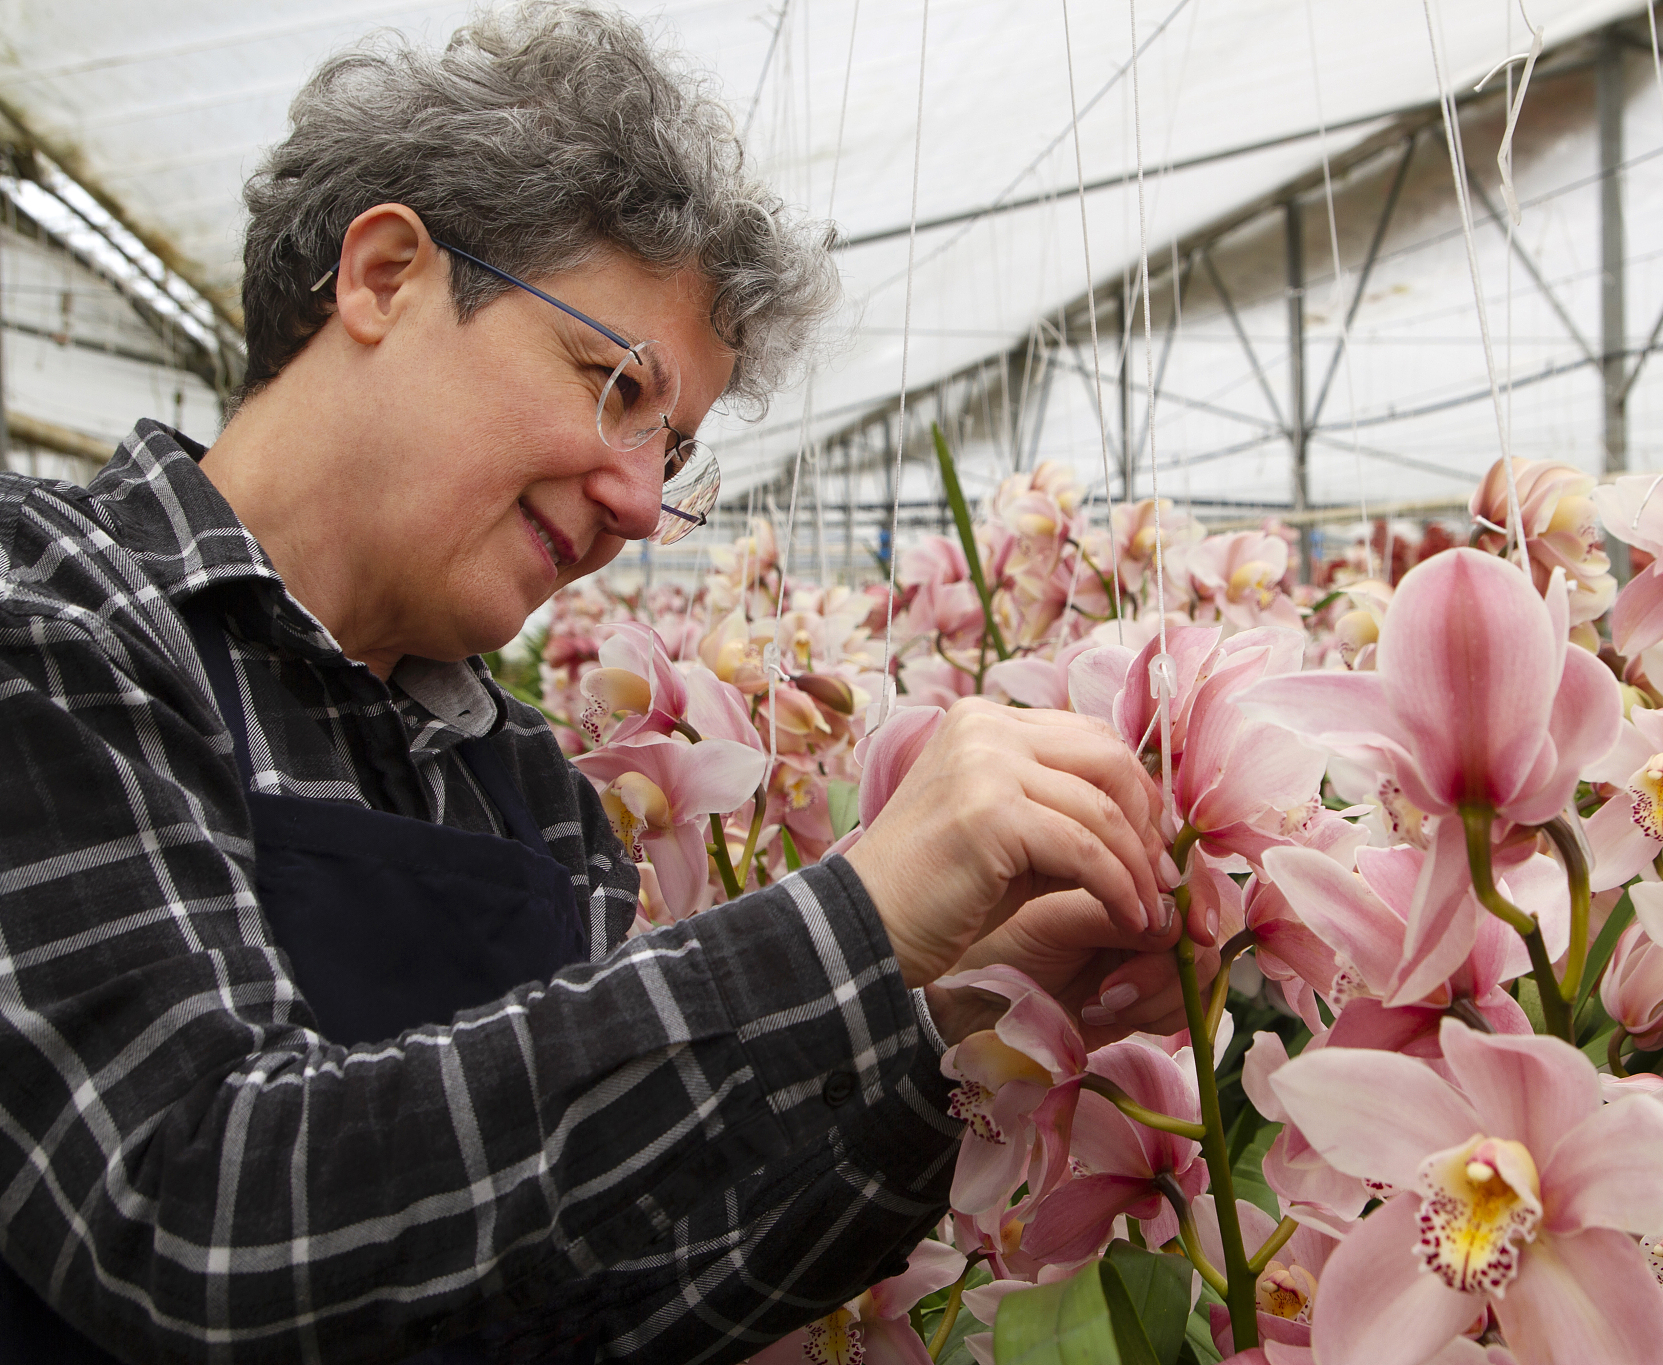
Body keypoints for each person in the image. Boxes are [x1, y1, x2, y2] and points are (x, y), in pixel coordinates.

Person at [0, 5, 1213, 1361]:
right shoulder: (56, 623)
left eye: (676, 446)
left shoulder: (529, 792)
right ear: (386, 275)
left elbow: (607, 1292)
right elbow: (195, 1216)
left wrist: (940, 1008)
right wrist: (854, 926)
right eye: (612, 384)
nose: (641, 504)